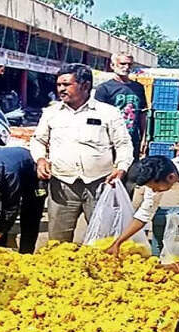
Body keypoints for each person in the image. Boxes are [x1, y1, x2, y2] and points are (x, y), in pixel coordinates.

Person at [30, 64, 134, 243]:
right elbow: (38, 140)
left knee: (103, 239)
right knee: (57, 242)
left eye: (66, 84)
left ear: (85, 86)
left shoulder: (108, 113)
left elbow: (123, 144)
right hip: (62, 185)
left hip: (100, 184)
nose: (61, 89)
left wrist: (121, 168)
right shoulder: (51, 113)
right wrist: (40, 159)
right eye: (59, 85)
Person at [94, 52, 149, 159]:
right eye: (122, 64)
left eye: (130, 64)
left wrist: (144, 138)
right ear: (113, 65)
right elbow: (97, 117)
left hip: (132, 140)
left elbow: (142, 114)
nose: (126, 67)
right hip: (110, 142)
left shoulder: (138, 88)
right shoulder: (104, 88)